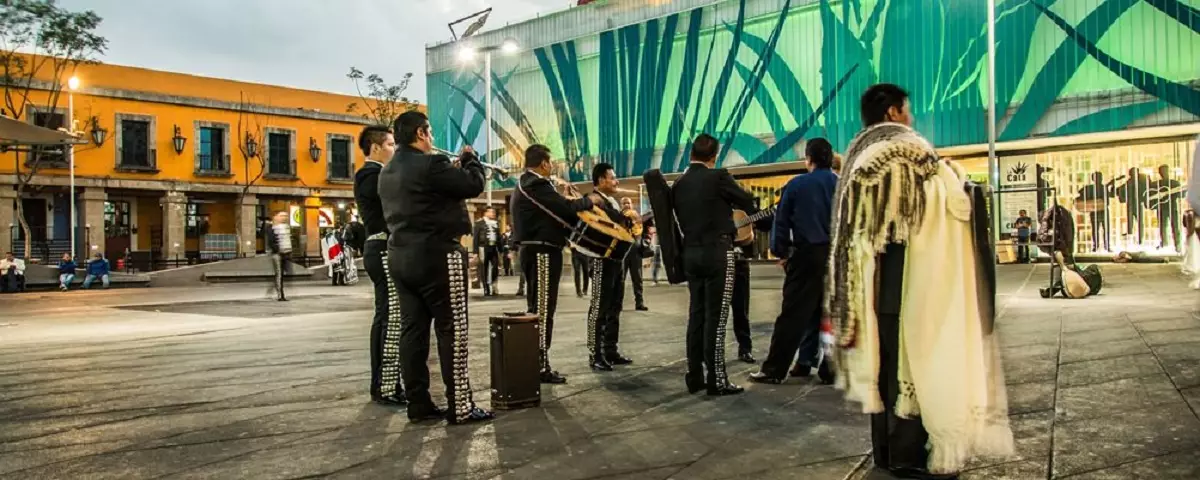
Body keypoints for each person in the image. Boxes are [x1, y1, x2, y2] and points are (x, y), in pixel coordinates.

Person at [825, 84, 1013, 478]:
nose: (910, 118)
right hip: (909, 279)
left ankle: (888, 453)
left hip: (869, 286)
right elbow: (948, 209)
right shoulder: (906, 154)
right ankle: (908, 456)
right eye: (907, 110)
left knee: (885, 366)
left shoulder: (859, 155)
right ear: (893, 112)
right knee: (911, 364)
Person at [378, 111, 492, 424]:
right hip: (439, 255)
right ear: (421, 132)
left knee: (412, 333)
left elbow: (426, 197)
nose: (432, 139)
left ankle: (419, 404)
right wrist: (470, 160)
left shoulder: (386, 172)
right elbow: (472, 185)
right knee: (452, 331)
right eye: (430, 132)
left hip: (400, 256)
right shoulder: (432, 164)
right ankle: (461, 406)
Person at [671, 133, 759, 396]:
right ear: (714, 156)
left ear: (691, 154)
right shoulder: (718, 176)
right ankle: (717, 379)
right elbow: (748, 203)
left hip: (691, 254)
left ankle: (694, 375)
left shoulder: (679, 185)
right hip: (717, 253)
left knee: (696, 315)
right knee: (717, 318)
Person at [749, 138, 837, 385]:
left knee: (792, 315)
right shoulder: (842, 185)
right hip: (834, 257)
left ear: (808, 159)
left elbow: (781, 224)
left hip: (806, 256)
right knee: (827, 313)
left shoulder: (797, 185)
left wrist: (782, 253)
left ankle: (774, 369)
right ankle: (824, 367)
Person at [512, 144, 603, 383]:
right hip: (542, 251)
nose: (552, 167)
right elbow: (565, 209)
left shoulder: (529, 184)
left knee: (538, 307)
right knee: (542, 309)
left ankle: (536, 360)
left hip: (536, 249)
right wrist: (589, 200)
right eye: (550, 163)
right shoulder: (536, 184)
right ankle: (540, 365)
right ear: (543, 163)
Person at [353, 124, 406, 406]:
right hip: (382, 247)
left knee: (390, 315)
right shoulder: (370, 174)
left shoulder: (377, 173)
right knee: (390, 316)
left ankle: (387, 382)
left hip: (384, 246)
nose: (394, 150)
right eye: (390, 145)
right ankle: (385, 385)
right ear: (374, 147)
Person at [585, 163, 635, 371]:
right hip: (600, 259)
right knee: (599, 307)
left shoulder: (611, 201)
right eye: (612, 178)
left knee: (615, 306)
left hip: (616, 260)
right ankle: (595, 354)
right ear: (601, 180)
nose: (616, 181)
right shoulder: (593, 201)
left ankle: (610, 350)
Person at [620, 197, 648, 311]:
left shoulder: (638, 217)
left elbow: (644, 234)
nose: (627, 205)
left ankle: (639, 303)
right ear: (621, 205)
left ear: (632, 204)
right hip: (622, 253)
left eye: (628, 203)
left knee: (638, 279)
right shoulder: (618, 217)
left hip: (636, 252)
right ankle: (618, 303)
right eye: (624, 203)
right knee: (620, 279)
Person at [1151, 165, 1183, 251]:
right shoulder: (1173, 183)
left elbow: (1181, 195)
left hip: (1167, 207)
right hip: (1166, 207)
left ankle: (1174, 244)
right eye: (1162, 171)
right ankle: (1172, 244)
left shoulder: (1157, 184)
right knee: (1167, 226)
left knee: (1171, 226)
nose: (1163, 173)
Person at [472, 206, 502, 296]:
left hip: (494, 248)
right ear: (485, 213)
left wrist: (501, 250)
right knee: (484, 268)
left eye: (494, 212)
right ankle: (486, 288)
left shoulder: (496, 223)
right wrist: (475, 252)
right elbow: (475, 238)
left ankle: (493, 285)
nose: (493, 213)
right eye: (491, 212)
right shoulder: (479, 224)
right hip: (483, 247)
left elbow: (499, 237)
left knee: (495, 266)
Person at [264, 212, 292, 301]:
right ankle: (280, 295)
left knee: (281, 275)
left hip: (286, 253)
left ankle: (273, 289)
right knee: (279, 274)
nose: (284, 217)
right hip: (277, 254)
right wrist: (278, 250)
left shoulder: (286, 227)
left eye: (286, 216)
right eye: (282, 216)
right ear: (276, 217)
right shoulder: (272, 228)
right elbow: (271, 241)